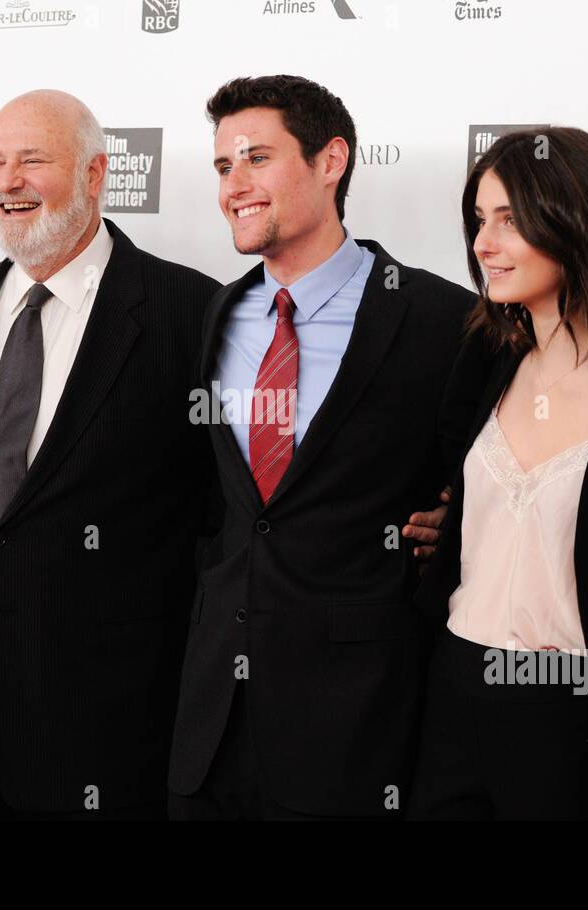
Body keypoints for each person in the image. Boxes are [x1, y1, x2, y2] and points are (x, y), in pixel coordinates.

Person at [167, 75, 477, 820]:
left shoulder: (441, 319)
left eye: (255, 159)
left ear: (331, 160)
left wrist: (450, 518)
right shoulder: (219, 313)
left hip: (359, 732)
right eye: (221, 167)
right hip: (212, 728)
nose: (233, 186)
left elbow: (493, 486)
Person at [0, 90, 220, 820]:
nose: (7, 180)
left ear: (94, 175)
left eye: (32, 160)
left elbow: (231, 518)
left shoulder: (194, 314)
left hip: (115, 745)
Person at [407, 128, 588, 820]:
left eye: (509, 220)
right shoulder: (484, 359)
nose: (483, 244)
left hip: (571, 713)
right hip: (452, 691)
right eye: (480, 221)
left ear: (577, 220)